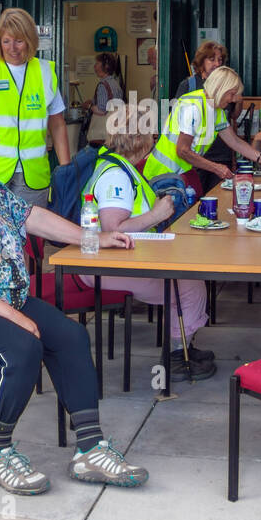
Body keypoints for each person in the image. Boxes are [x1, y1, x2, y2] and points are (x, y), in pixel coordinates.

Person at [0, 107, 149, 495]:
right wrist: (12, 316)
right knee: (22, 346)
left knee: (70, 336)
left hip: (4, 297)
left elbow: (33, 217)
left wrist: (94, 239)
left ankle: (90, 448)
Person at [79, 106, 215, 380]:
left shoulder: (116, 164)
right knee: (189, 286)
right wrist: (156, 215)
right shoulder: (116, 176)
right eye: (151, 132)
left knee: (187, 280)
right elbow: (112, 228)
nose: (155, 137)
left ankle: (183, 347)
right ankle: (177, 356)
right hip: (106, 266)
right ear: (139, 137)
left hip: (115, 258)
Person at [0, 7, 70, 207]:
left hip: (33, 175)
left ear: (30, 40)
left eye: (19, 41)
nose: (12, 48)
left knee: (32, 235)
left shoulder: (45, 71)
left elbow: (57, 123)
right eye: (6, 41)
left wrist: (66, 167)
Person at [144, 66, 261, 181]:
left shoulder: (216, 110)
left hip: (179, 174)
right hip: (160, 175)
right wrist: (216, 168)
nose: (233, 100)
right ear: (219, 88)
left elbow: (235, 142)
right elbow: (182, 151)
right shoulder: (192, 107)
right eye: (231, 94)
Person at [173, 41, 238, 189]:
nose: (217, 63)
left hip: (221, 154)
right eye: (212, 59)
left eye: (220, 60)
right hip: (195, 158)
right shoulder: (188, 86)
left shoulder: (226, 86)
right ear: (202, 61)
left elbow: (231, 116)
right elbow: (176, 120)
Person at [81, 52, 124, 148]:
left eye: (97, 64)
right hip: (113, 131)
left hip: (101, 134)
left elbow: (101, 110)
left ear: (105, 66)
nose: (94, 66)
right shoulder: (116, 84)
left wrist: (89, 107)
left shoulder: (103, 85)